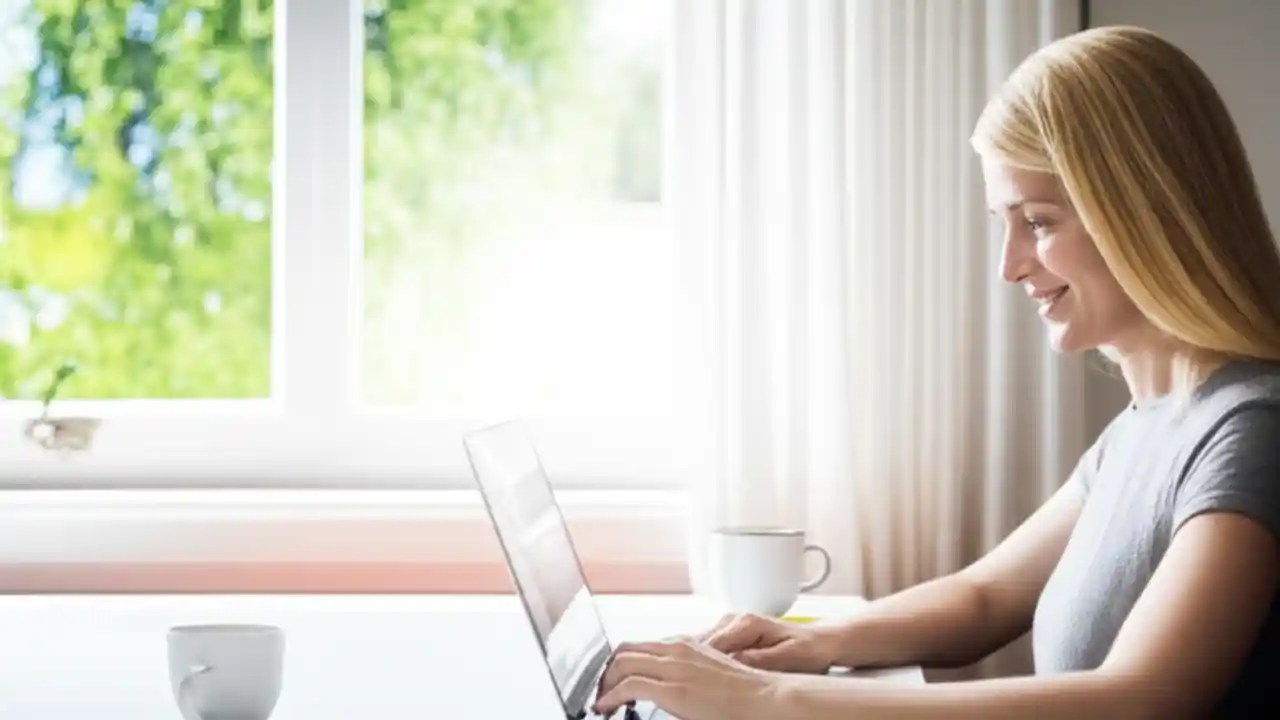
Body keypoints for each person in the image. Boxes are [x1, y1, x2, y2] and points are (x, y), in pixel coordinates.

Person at [593, 25, 1280, 720]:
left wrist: (767, 700)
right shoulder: (1147, 426)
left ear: (1146, 213)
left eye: (1037, 222)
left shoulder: (1252, 432)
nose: (1009, 266)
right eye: (1002, 224)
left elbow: (1137, 700)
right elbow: (984, 598)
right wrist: (809, 643)